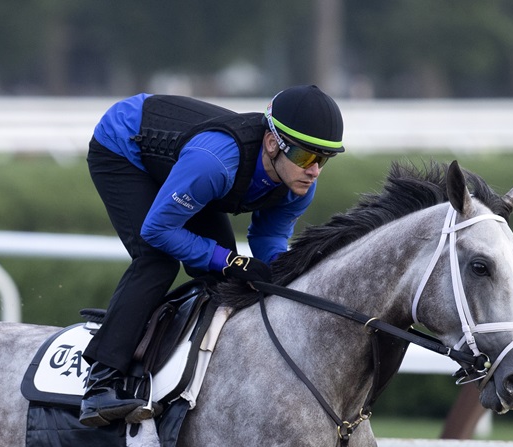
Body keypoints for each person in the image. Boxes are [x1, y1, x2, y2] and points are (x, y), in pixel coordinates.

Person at [79, 85, 346, 427]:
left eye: (323, 159)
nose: (314, 171)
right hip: (124, 147)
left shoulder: (298, 184)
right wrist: (228, 260)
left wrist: (279, 276)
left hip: (187, 168)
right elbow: (157, 229)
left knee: (226, 280)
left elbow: (269, 236)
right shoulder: (215, 164)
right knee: (157, 260)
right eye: (306, 157)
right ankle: (102, 381)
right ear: (271, 143)